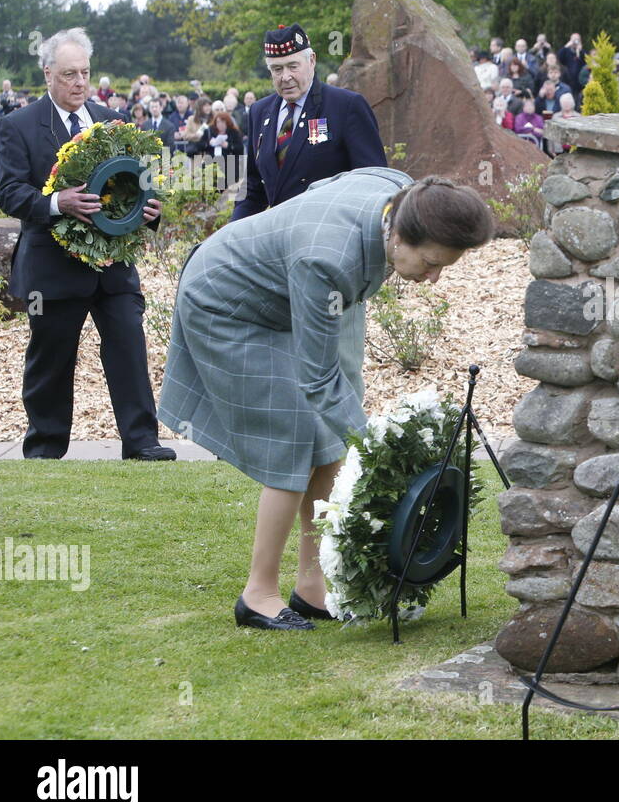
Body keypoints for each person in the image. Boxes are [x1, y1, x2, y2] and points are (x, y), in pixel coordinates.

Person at [158, 168, 494, 629]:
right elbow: (318, 381)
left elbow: (322, 185)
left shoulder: (400, 193)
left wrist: (354, 433)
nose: (434, 277)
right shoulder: (328, 261)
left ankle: (311, 587)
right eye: (431, 263)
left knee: (328, 442)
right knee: (292, 437)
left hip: (282, 301)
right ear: (398, 236)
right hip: (227, 304)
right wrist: (383, 450)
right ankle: (257, 595)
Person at [0, 28, 172, 461]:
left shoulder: (110, 122)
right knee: (51, 358)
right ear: (48, 73)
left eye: (85, 73)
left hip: (113, 265)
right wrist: (57, 202)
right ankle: (45, 448)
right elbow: (9, 192)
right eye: (70, 73)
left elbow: (141, 180)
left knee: (129, 345)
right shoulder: (18, 125)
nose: (79, 82)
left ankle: (142, 441)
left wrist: (150, 211)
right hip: (52, 267)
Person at [235, 23, 387, 220]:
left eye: (293, 66)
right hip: (278, 235)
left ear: (312, 61)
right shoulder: (259, 112)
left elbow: (372, 182)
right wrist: (228, 235)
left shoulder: (346, 106)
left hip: (329, 233)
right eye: (277, 69)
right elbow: (254, 186)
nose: (285, 77)